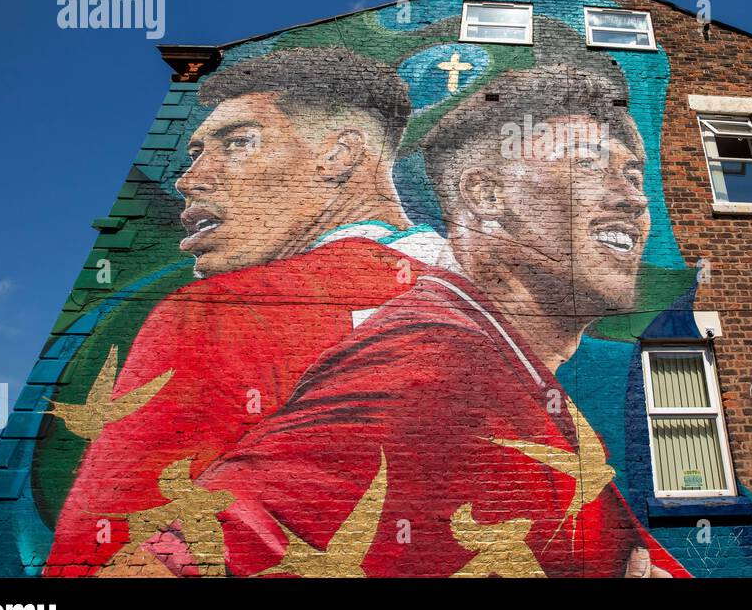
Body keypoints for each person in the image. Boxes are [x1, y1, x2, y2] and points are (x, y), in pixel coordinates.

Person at [188, 63, 752, 577]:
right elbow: (182, 552)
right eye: (590, 164)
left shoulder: (537, 403)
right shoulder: (439, 361)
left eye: (634, 176)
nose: (633, 200)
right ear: (484, 196)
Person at [44, 46, 456, 575]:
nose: (190, 179)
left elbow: (91, 556)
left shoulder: (224, 312)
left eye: (236, 144)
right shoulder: (504, 315)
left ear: (340, 155)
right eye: (193, 153)